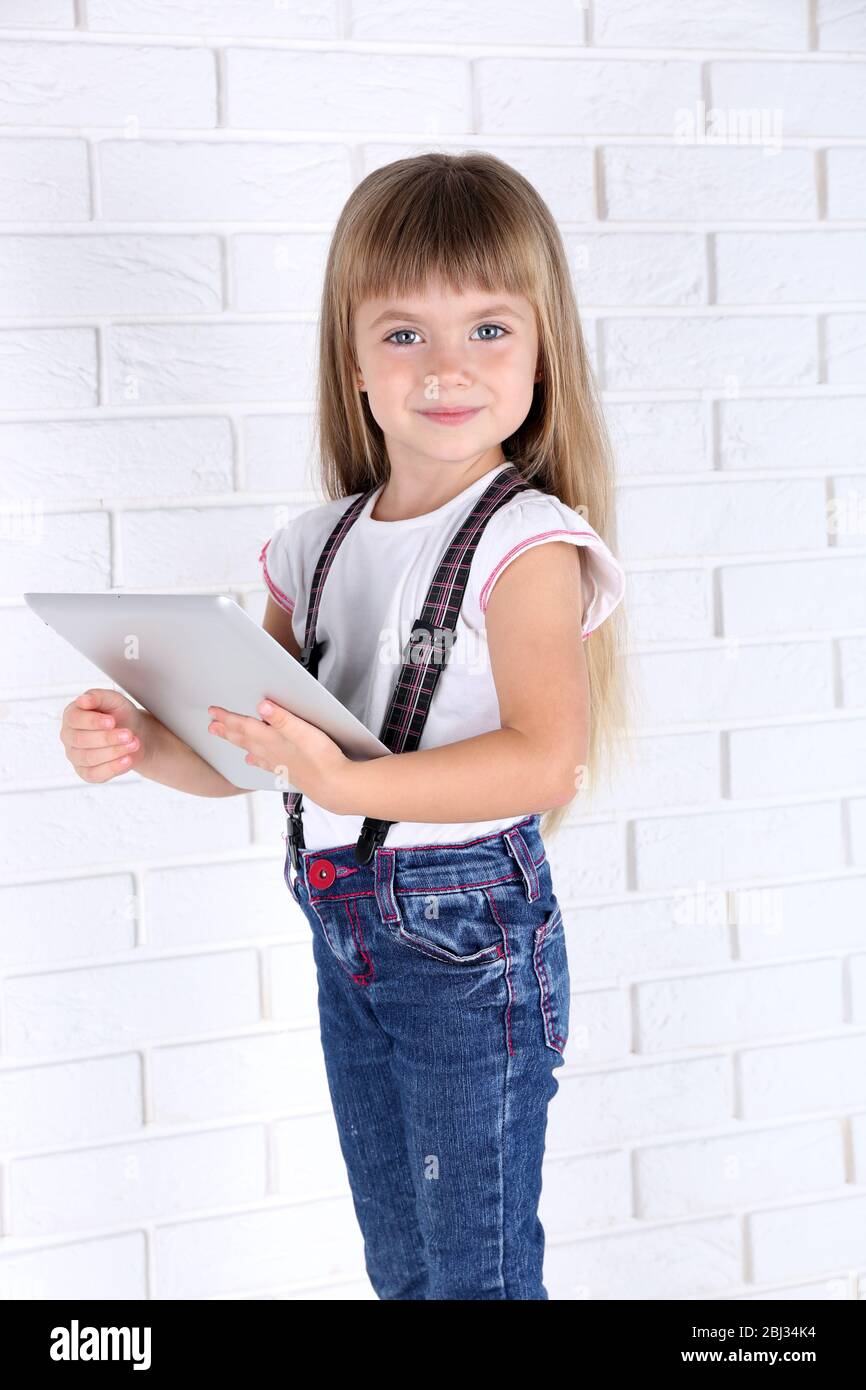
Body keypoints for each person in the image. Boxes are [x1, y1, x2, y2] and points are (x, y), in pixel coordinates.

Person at [60, 152, 633, 1300]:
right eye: (404, 334)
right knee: (406, 1270)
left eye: (486, 329)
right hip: (349, 938)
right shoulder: (311, 546)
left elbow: (542, 755)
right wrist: (143, 742)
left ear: (539, 350)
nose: (447, 368)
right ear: (353, 360)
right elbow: (248, 749)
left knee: (475, 1271)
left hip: (468, 940)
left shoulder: (526, 545)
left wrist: (349, 782)